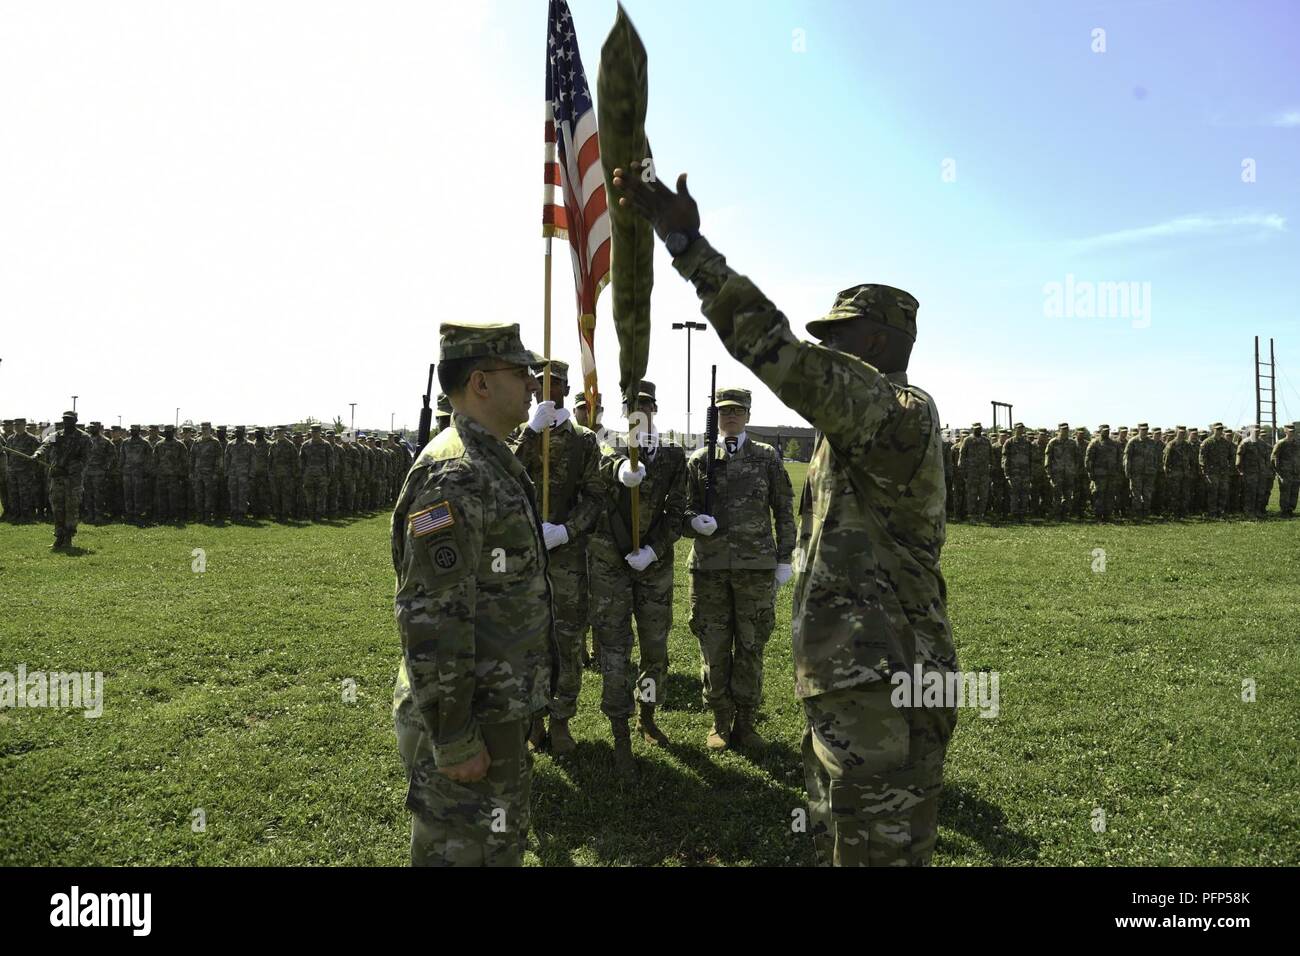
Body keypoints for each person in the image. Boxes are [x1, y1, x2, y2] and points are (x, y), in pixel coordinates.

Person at [613, 160, 957, 866]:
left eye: (843, 335)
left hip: (885, 678)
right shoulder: (857, 427)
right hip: (856, 677)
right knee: (837, 841)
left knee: (875, 849)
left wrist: (690, 252)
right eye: (826, 337)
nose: (828, 347)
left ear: (883, 345)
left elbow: (781, 353)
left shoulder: (895, 410)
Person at [391, 321, 555, 867]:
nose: (535, 384)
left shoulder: (489, 459)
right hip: (469, 718)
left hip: (493, 707)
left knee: (495, 850)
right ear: (481, 383)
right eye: (523, 372)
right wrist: (456, 735)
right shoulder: (457, 474)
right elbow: (433, 616)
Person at [510, 359, 619, 755]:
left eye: (556, 383)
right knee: (526, 639)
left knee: (568, 641)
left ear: (566, 387)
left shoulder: (584, 441)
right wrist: (530, 433)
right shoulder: (517, 435)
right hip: (522, 556)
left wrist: (567, 530)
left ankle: (560, 720)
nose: (548, 389)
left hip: (568, 557)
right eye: (540, 383)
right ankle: (532, 721)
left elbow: (595, 497)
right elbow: (499, 477)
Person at [682, 386, 796, 749]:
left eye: (737, 410)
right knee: (713, 647)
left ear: (747, 415)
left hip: (756, 567)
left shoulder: (766, 457)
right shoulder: (700, 460)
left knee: (751, 645)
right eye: (723, 411)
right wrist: (692, 521)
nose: (730, 416)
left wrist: (784, 558)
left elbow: (783, 509)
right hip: (709, 568)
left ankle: (746, 722)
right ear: (716, 417)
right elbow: (681, 510)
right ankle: (719, 721)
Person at [587, 380, 686, 773]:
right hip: (610, 563)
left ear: (655, 408)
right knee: (613, 649)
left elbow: (678, 511)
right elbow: (596, 479)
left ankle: (647, 714)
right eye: (632, 404)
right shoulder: (605, 446)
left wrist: (654, 550)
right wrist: (620, 469)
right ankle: (620, 731)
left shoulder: (673, 456)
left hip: (654, 568)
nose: (639, 409)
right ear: (623, 409)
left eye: (646, 403)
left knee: (654, 649)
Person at [32, 411, 91, 549]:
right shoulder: (57, 435)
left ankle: (68, 536)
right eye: (64, 419)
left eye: (69, 420)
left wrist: (68, 469)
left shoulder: (84, 438)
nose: (66, 422)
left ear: (75, 420)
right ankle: (59, 536)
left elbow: (85, 459)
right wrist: (37, 454)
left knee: (71, 508)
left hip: (73, 480)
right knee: (57, 507)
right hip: (57, 477)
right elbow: (45, 445)